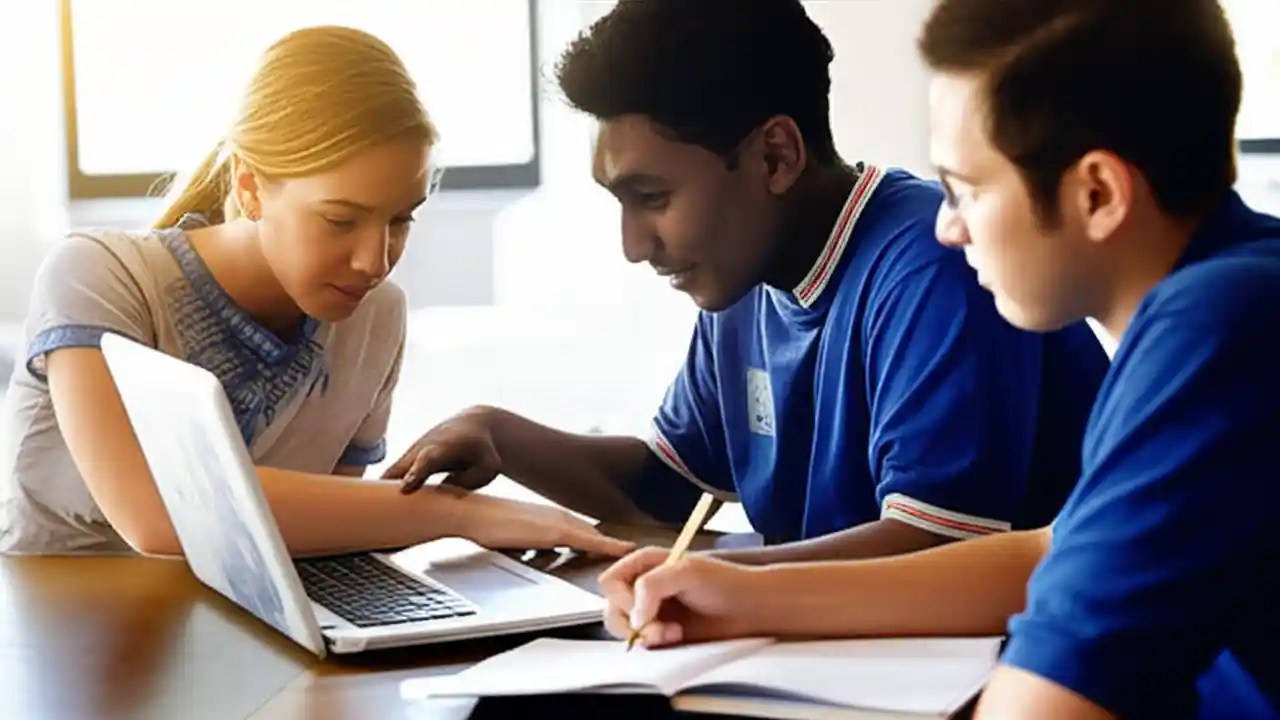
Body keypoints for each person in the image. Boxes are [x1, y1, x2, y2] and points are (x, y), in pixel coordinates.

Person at [596, 1, 1279, 717]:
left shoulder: (1218, 328)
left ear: (1097, 193)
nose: (948, 228)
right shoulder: (1230, 294)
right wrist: (739, 593)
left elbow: (1044, 705)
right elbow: (1049, 556)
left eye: (967, 189)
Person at [385, 0, 1108, 564]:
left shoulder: (933, 265)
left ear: (775, 156)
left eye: (654, 199)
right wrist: (500, 435)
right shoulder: (744, 282)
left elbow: (938, 548)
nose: (634, 247)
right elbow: (669, 489)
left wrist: (717, 581)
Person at [0, 25, 631, 560]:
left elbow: (325, 534)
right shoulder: (100, 277)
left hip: (251, 635)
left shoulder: (376, 317)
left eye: (402, 218)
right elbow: (157, 513)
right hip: (63, 644)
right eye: (339, 220)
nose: (375, 260)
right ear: (249, 188)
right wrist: (463, 514)